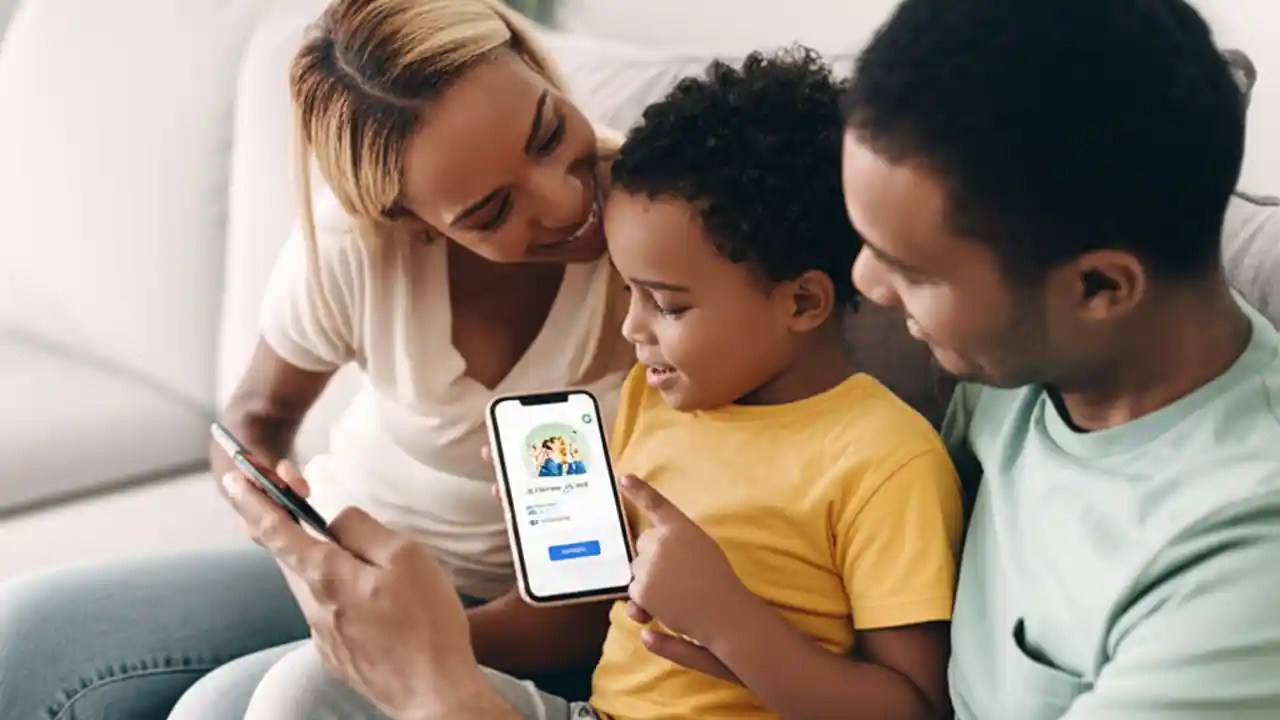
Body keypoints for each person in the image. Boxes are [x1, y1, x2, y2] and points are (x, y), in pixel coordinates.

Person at [231, 46, 964, 720]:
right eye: (627, 291)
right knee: (301, 691)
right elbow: (598, 609)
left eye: (667, 304)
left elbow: (912, 707)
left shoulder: (885, 460)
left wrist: (727, 619)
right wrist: (562, 536)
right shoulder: (659, 398)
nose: (631, 329)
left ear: (802, 302)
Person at [0, 0, 635, 717]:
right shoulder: (356, 249)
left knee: (223, 707)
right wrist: (287, 537)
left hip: (539, 615)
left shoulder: (675, 231)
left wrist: (402, 634)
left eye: (548, 132)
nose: (565, 200)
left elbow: (588, 614)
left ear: (533, 63)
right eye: (490, 212)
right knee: (22, 638)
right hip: (351, 550)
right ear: (408, 220)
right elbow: (255, 415)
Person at [839, 0, 1280, 717]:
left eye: (912, 271)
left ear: (1100, 287)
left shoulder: (1244, 559)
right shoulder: (1020, 364)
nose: (867, 285)